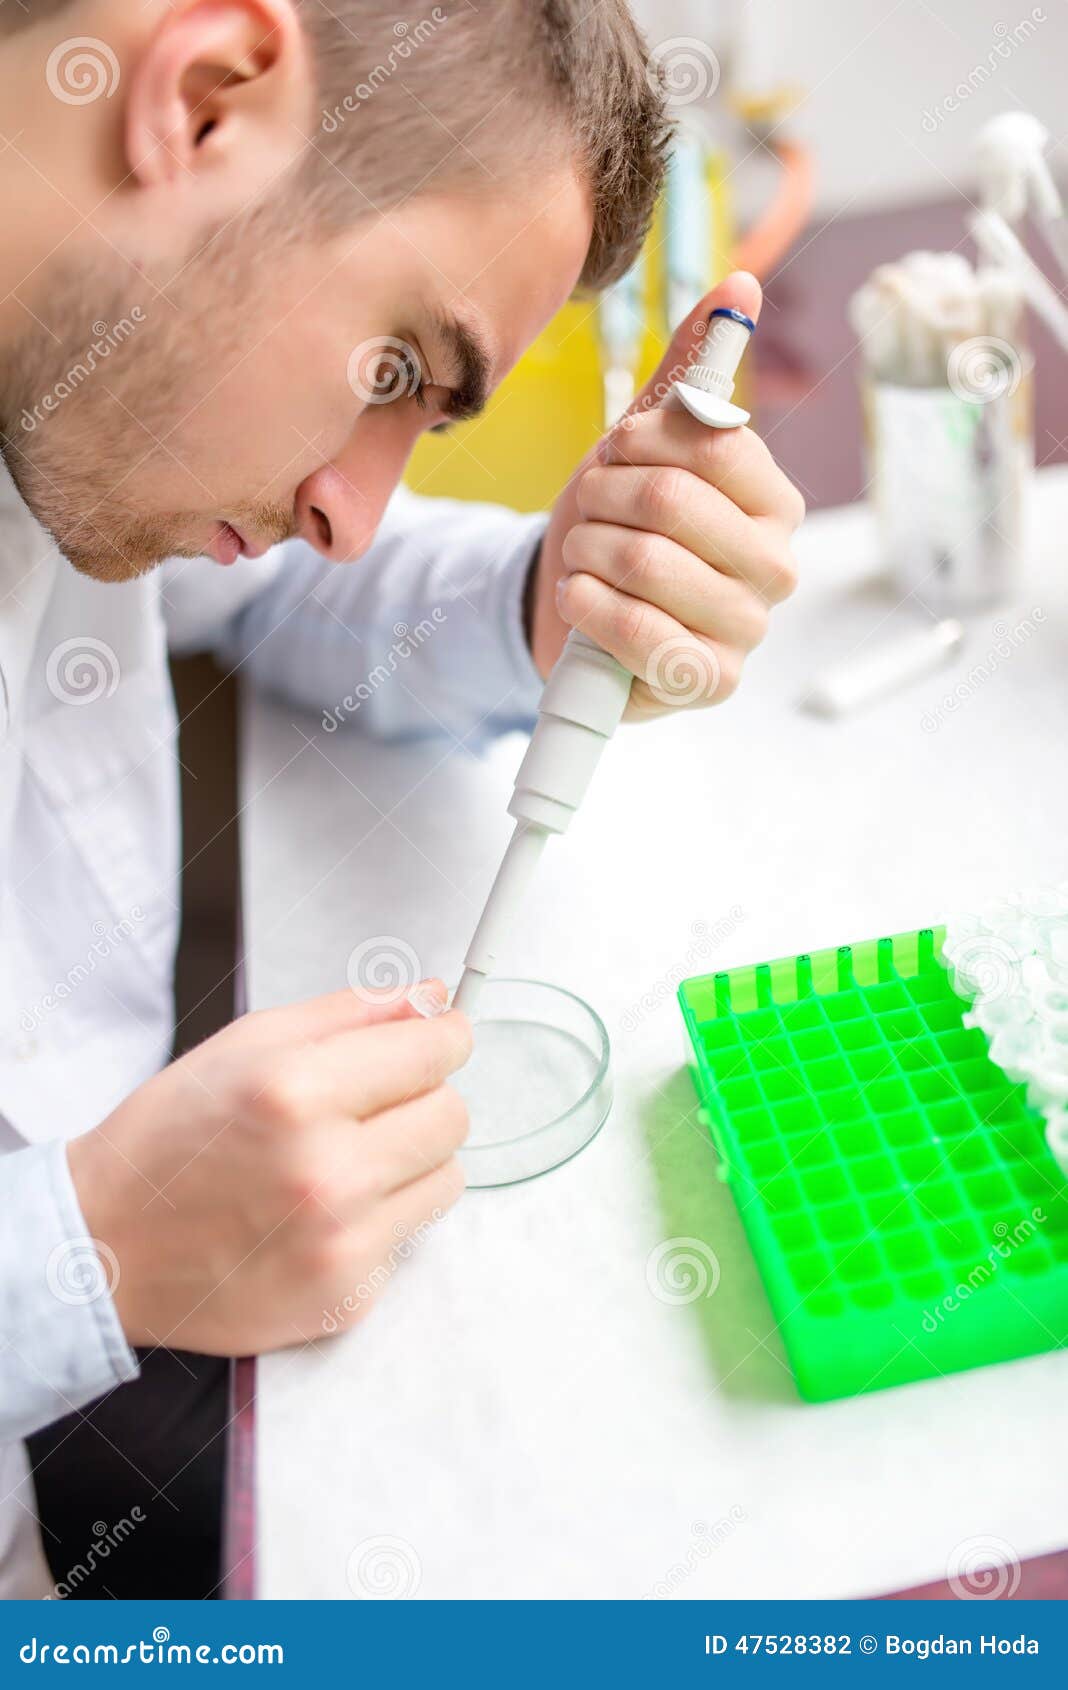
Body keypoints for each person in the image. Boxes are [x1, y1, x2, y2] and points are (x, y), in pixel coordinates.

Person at [0, 0, 803, 1596]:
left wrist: (545, 598)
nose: (352, 514)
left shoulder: (79, 409)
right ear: (211, 98)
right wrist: (88, 1254)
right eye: (397, 366)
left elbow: (242, 594)